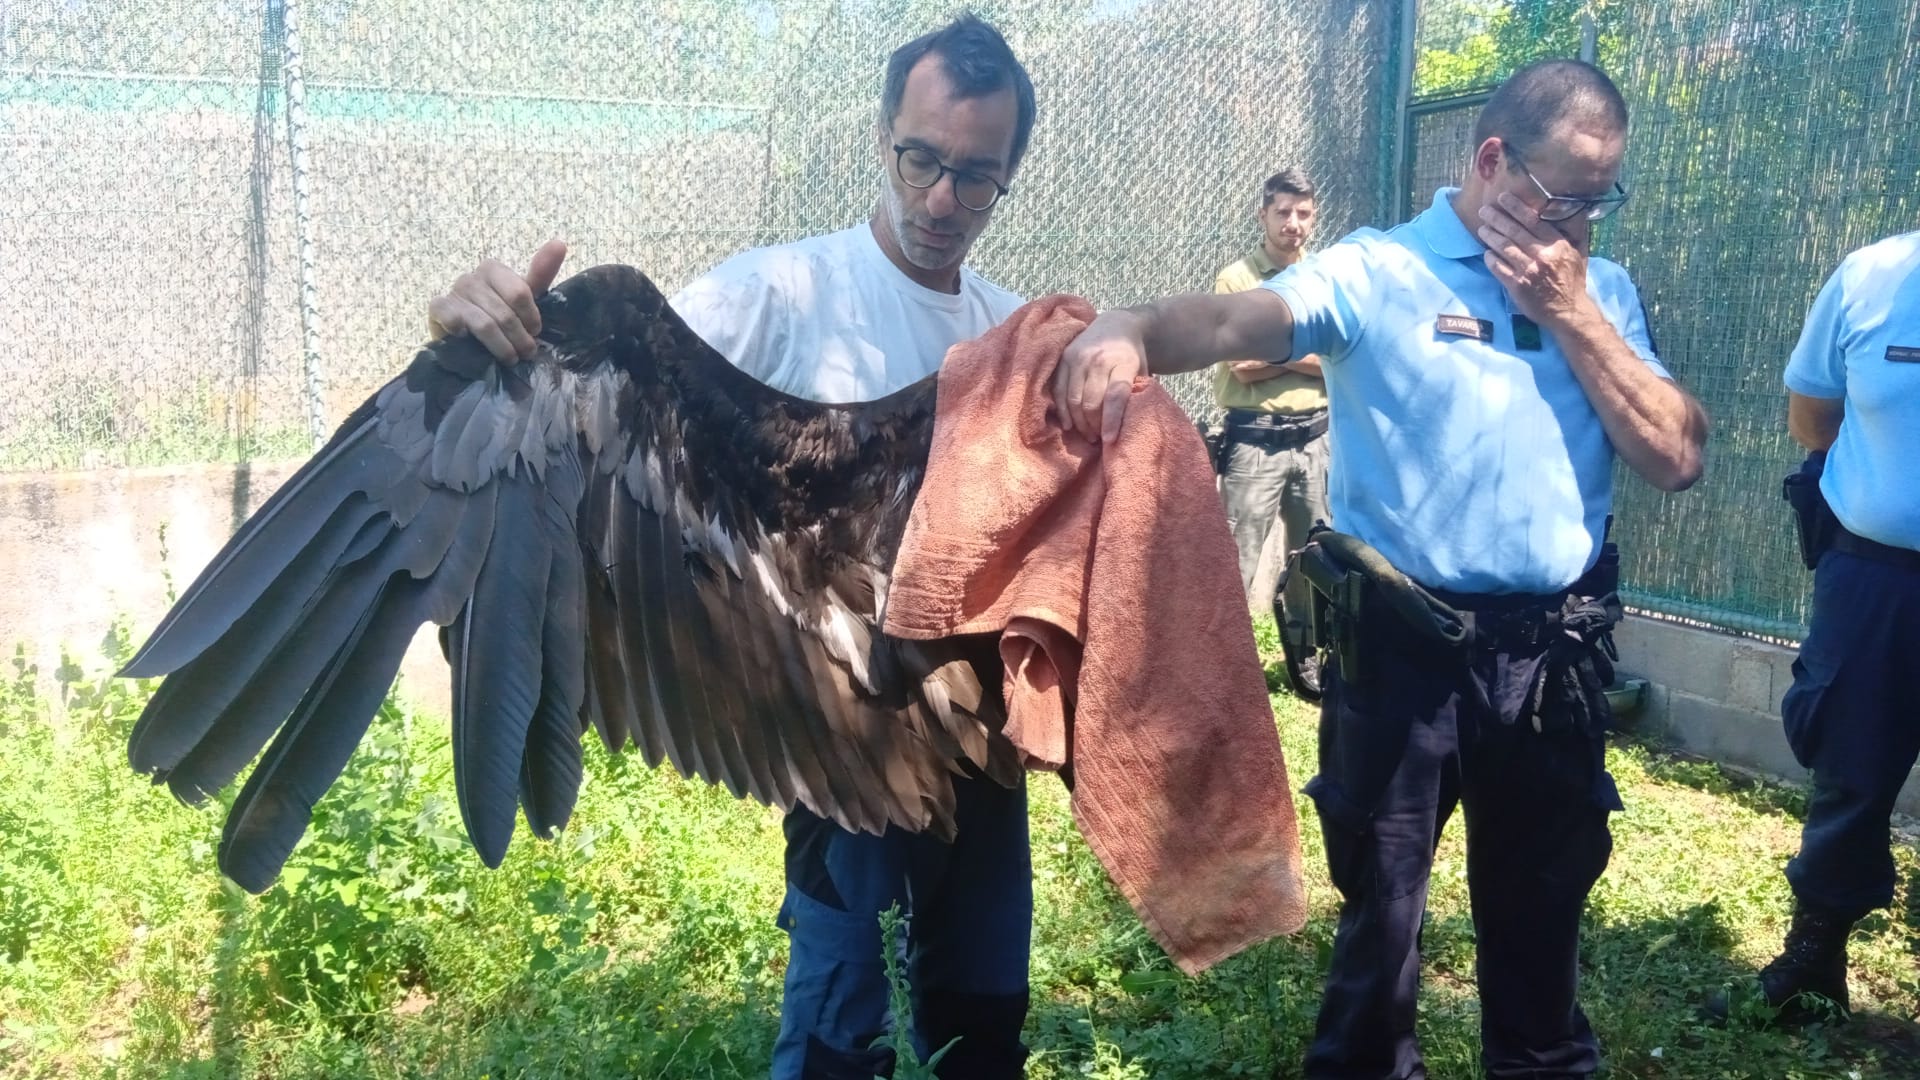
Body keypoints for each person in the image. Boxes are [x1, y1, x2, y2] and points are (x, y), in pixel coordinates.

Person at [1052, 59, 1708, 1079]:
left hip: (1553, 661)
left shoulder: (1603, 292)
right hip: (1405, 654)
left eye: (1598, 198)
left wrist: (1575, 315)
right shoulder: (1380, 272)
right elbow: (1238, 325)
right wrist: (1134, 330)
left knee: (1541, 939)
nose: (1582, 221)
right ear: (1493, 162)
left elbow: (1678, 456)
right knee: (1382, 934)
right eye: (1562, 194)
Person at [424, 16, 1038, 1078]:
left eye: (977, 177)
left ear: (1009, 175)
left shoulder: (1011, 331)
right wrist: (469, 344)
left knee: (984, 1022)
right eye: (922, 160)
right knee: (842, 1035)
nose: (944, 199)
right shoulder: (781, 296)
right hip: (845, 743)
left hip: (984, 745)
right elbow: (585, 409)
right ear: (883, 138)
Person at [1701, 229, 1920, 1027]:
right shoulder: (1873, 277)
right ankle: (1813, 963)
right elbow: (1813, 420)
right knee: (1850, 765)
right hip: (1876, 576)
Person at [1212, 168, 1331, 690]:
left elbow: (1336, 361)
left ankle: (1307, 664)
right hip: (1255, 440)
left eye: (1303, 213)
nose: (1293, 223)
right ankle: (1225, 675)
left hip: (1316, 438)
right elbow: (1239, 362)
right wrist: (1302, 355)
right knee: (1233, 563)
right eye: (1283, 212)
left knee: (1315, 560)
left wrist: (1274, 354)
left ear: (1314, 217)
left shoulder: (1326, 277)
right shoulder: (1237, 280)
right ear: (1263, 215)